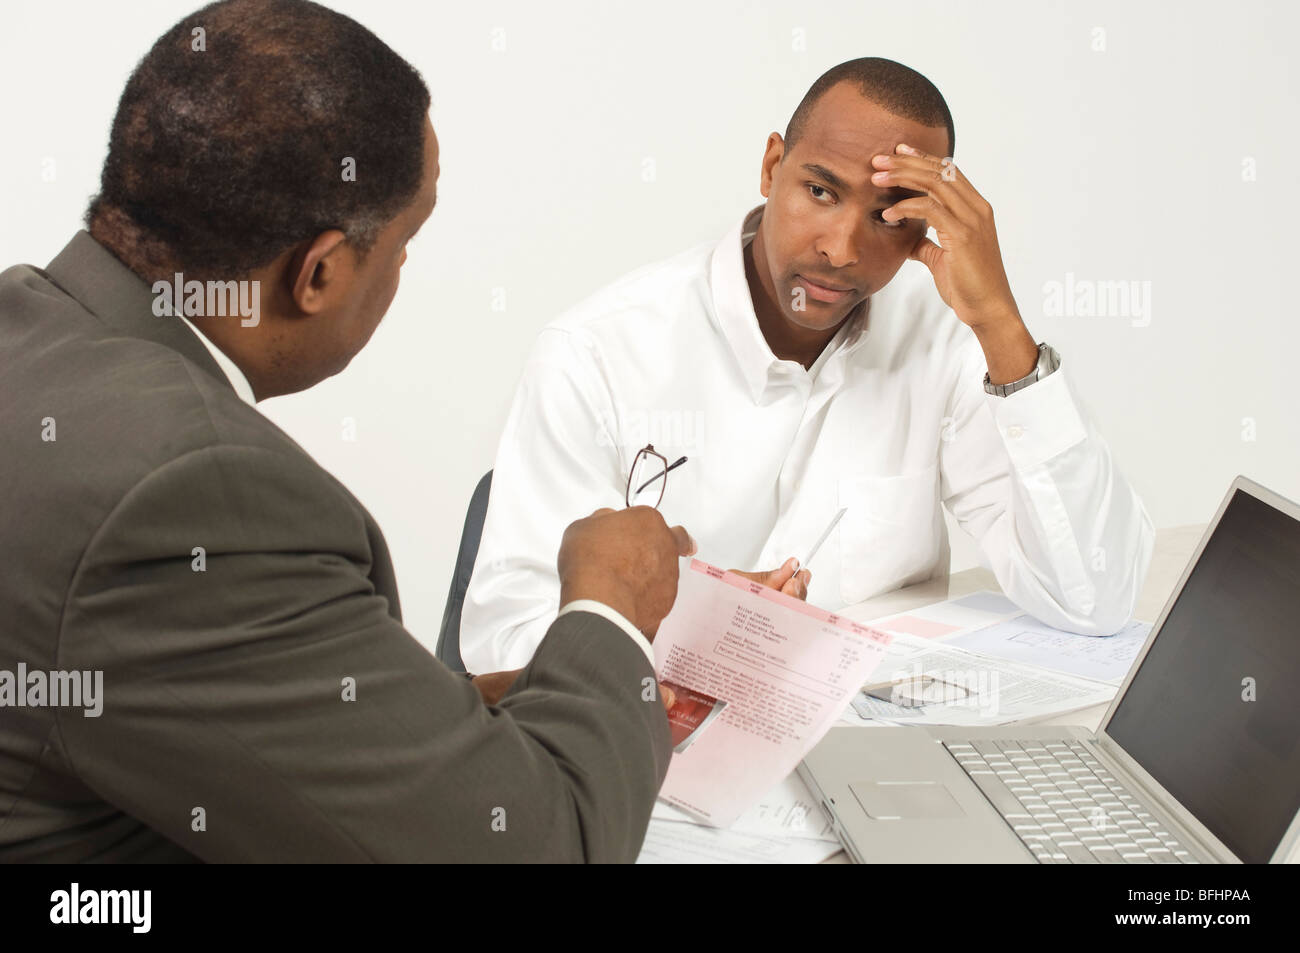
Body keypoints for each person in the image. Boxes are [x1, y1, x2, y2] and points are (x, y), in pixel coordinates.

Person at [0, 0, 691, 863]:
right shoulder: (188, 493)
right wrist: (609, 605)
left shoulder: (26, 335)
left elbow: (171, 682)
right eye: (404, 243)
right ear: (319, 272)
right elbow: (542, 847)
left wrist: (447, 716)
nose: (402, 271)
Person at [461, 57, 1155, 674]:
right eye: (820, 192)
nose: (843, 248)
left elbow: (1092, 597)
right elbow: (504, 648)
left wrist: (1001, 325)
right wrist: (701, 625)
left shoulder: (945, 344)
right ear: (771, 168)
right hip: (658, 770)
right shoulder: (597, 355)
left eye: (889, 218)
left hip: (871, 760)